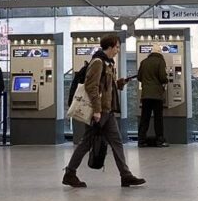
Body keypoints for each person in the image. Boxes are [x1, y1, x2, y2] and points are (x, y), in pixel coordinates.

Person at [63, 36, 145, 188]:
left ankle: (125, 175)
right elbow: (91, 87)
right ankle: (70, 173)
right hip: (100, 111)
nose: (118, 51)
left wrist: (120, 83)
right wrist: (97, 110)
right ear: (111, 46)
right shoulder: (98, 62)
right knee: (86, 143)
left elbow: (107, 86)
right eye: (117, 47)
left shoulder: (108, 64)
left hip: (108, 111)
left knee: (117, 142)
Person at [136, 48, 170, 147]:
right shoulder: (160, 62)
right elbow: (163, 77)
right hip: (156, 95)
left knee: (144, 118)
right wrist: (166, 80)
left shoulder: (144, 62)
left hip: (146, 95)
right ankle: (160, 140)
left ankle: (141, 140)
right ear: (159, 53)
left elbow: (139, 77)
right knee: (158, 118)